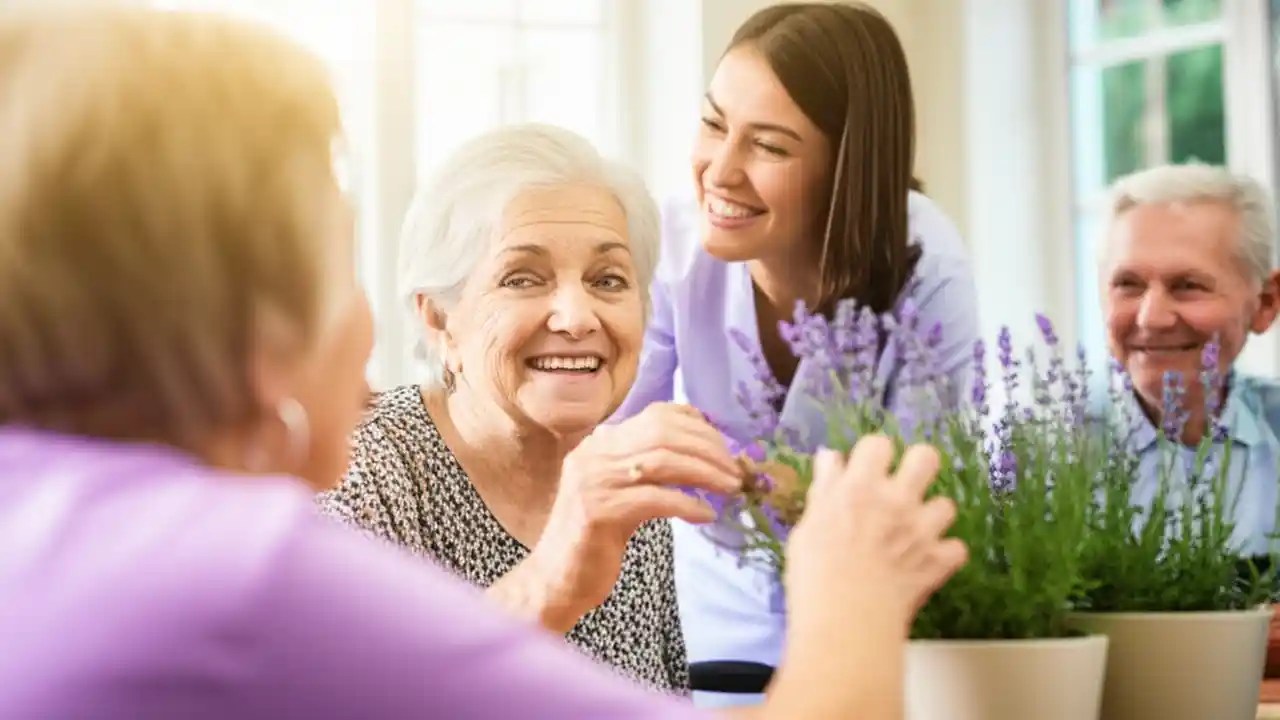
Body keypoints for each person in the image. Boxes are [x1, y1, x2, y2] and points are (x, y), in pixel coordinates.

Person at [0, 6, 968, 720]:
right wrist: (851, 587)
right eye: (336, 262)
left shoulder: (43, 513)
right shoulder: (243, 568)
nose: (368, 339)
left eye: (609, 279)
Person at [609, 1, 981, 703]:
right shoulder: (672, 247)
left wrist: (735, 475)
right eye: (714, 124)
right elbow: (614, 450)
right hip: (706, 617)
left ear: (848, 167)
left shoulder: (929, 269)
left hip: (874, 627)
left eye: (770, 146)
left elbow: (911, 499)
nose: (719, 170)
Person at [316, 123, 736, 693]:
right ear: (439, 319)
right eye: (523, 279)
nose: (577, 316)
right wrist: (552, 577)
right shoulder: (363, 475)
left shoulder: (622, 479)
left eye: (607, 279)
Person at [1097, 162, 1280, 557]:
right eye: (1128, 284)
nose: (1151, 318)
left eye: (1188, 286)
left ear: (1265, 303)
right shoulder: (1037, 450)